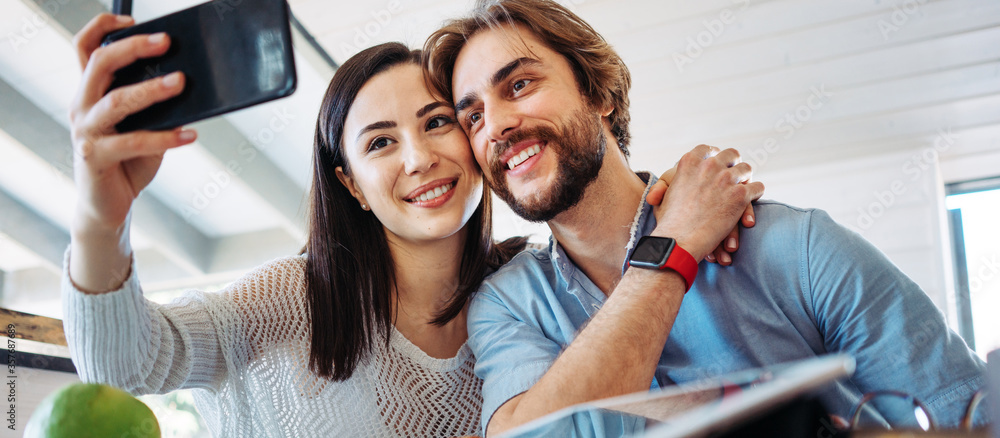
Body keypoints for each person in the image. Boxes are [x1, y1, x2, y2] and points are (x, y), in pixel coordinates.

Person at [61, 13, 746, 437]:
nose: (420, 160)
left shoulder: (529, 294)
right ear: (350, 184)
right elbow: (126, 363)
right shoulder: (291, 299)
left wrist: (681, 209)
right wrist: (102, 214)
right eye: (381, 143)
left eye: (439, 122)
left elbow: (640, 380)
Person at [422, 0, 989, 435]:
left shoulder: (797, 247)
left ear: (599, 94)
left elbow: (965, 412)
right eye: (472, 117)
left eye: (519, 85)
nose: (494, 127)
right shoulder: (506, 305)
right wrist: (674, 244)